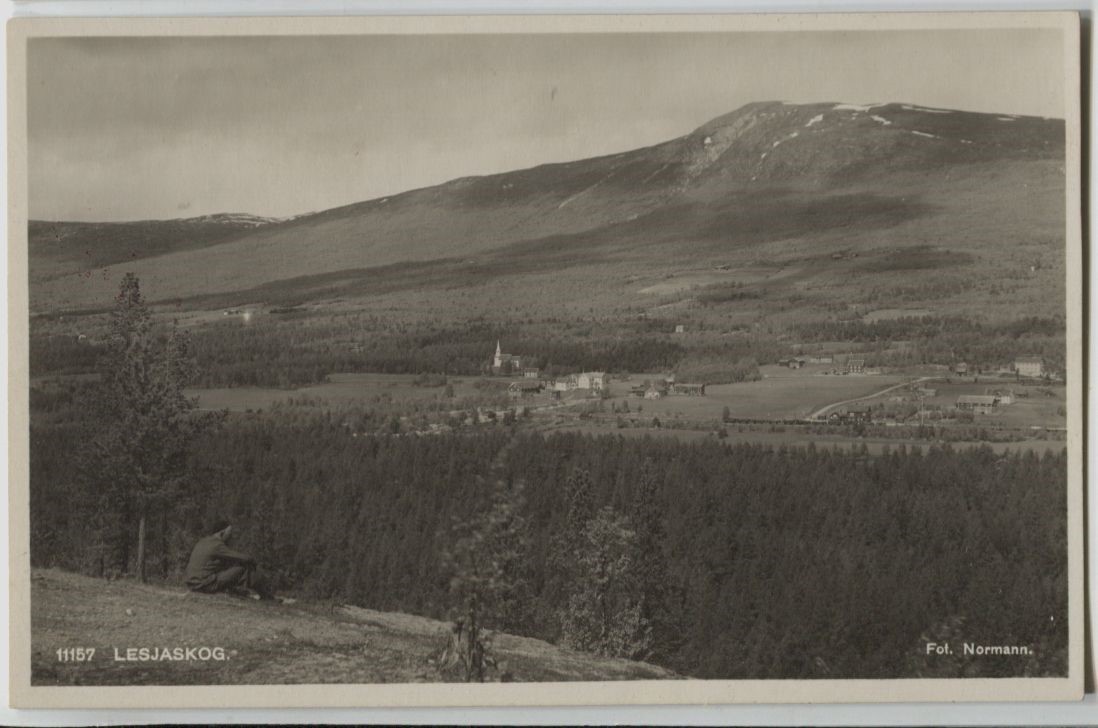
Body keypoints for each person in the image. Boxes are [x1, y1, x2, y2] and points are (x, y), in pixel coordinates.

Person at [184, 519, 274, 600]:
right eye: (229, 534)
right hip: (204, 584)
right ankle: (265, 594)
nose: (231, 537)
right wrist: (252, 560)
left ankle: (239, 590)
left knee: (229, 568)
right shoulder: (217, 545)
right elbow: (243, 558)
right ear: (222, 533)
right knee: (243, 567)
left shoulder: (203, 541)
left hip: (192, 583)